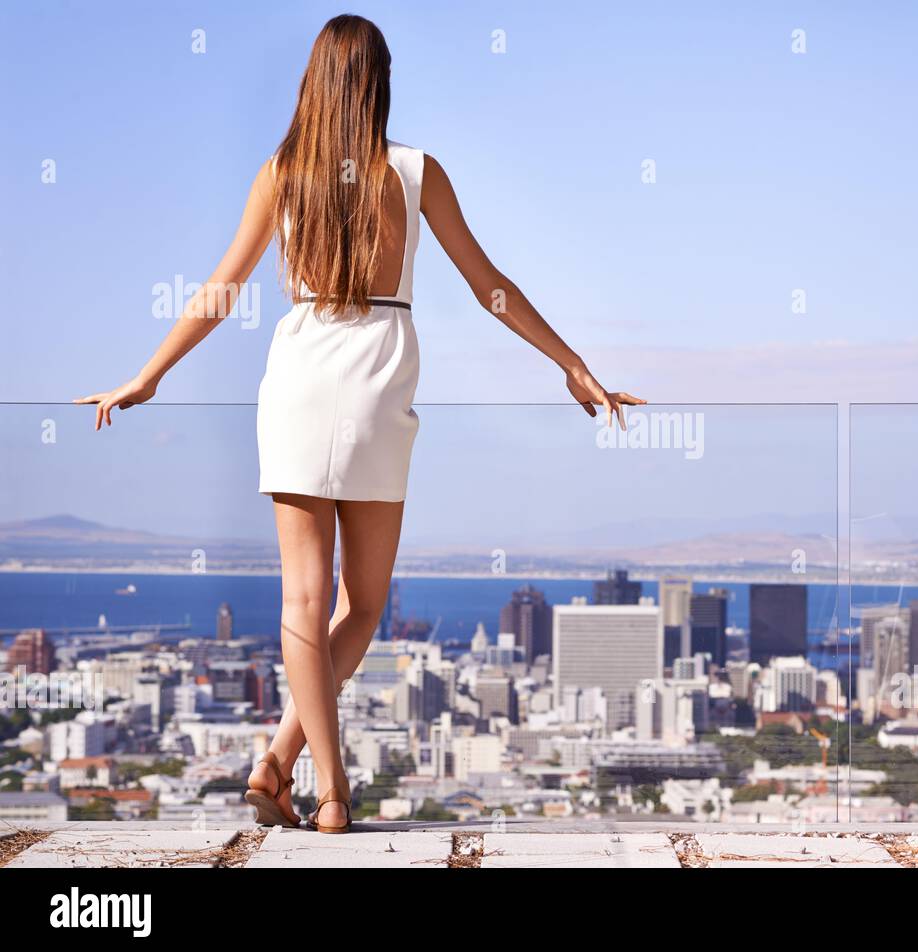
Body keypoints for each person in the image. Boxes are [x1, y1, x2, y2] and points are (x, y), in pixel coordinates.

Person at [75, 14, 643, 834]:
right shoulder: (416, 172)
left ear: (314, 83)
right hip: (380, 382)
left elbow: (218, 289)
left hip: (302, 377)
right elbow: (490, 285)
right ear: (379, 83)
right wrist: (571, 362)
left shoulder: (282, 175)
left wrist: (149, 373)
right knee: (364, 602)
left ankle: (304, 776)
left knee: (302, 603)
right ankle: (305, 779)